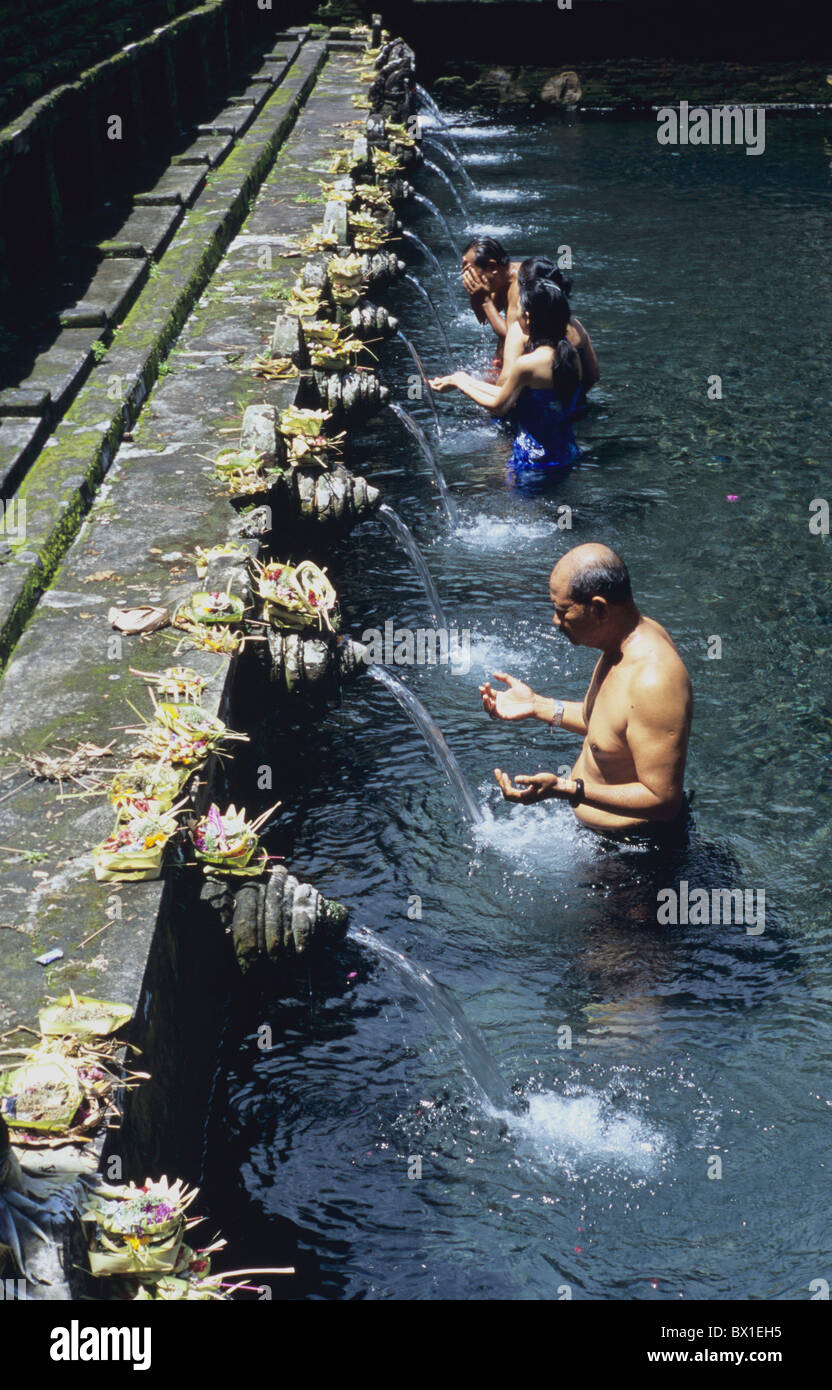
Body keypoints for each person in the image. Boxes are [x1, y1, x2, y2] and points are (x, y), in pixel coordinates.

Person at [479, 544, 693, 838]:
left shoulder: (653, 681)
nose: (556, 621)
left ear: (598, 608)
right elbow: (610, 730)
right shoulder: (623, 644)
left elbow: (663, 800)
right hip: (603, 838)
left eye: (562, 611)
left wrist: (568, 789)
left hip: (638, 855)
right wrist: (536, 705)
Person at [430, 278, 584, 473]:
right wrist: (462, 378)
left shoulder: (527, 364)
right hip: (566, 453)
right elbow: (507, 393)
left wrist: (461, 385)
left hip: (533, 460)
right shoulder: (570, 356)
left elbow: (499, 406)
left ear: (527, 318)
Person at [499, 256, 600, 393]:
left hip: (529, 412)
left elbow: (503, 385)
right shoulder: (576, 326)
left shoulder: (521, 331)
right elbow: (593, 376)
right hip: (574, 408)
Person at [460, 237, 522, 373]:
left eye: (472, 273)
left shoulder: (519, 283)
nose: (472, 278)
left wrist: (486, 301)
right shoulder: (499, 280)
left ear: (492, 266)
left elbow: (512, 336)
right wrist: (475, 293)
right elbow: (483, 319)